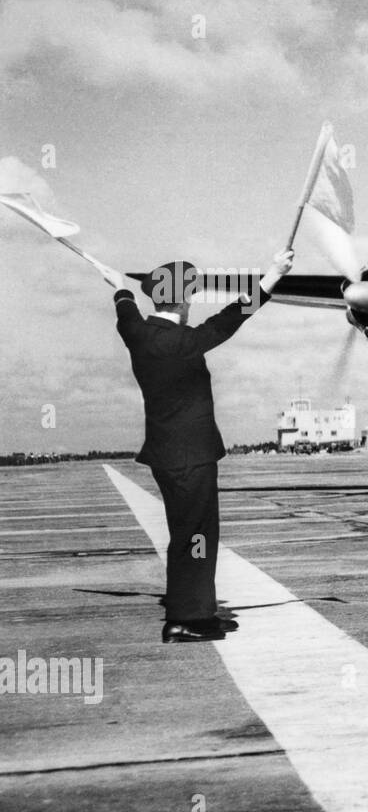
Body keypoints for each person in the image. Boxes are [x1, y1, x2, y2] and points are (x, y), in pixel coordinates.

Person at [104, 251, 293, 642]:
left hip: (165, 456)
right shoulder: (184, 342)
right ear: (184, 298)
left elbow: (126, 309)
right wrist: (272, 276)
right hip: (193, 457)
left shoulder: (136, 333)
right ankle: (185, 619)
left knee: (187, 534)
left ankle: (199, 611)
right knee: (197, 536)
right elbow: (232, 317)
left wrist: (120, 288)